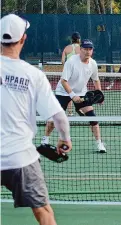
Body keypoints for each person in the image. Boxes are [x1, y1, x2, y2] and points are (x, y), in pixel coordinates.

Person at [1, 14, 72, 225]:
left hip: (19, 155)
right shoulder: (33, 75)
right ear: (23, 39)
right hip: (20, 157)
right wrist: (64, 139)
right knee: (44, 213)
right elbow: (59, 116)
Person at [41, 39, 107, 153]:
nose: (87, 51)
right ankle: (45, 140)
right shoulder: (71, 61)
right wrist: (72, 96)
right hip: (63, 92)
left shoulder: (93, 64)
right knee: (53, 119)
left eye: (90, 49)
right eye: (85, 49)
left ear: (92, 51)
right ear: (80, 49)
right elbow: (63, 81)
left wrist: (99, 95)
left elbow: (96, 80)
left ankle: (99, 144)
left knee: (93, 118)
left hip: (81, 93)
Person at [61, 32, 81, 116]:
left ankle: (69, 111)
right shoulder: (81, 48)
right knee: (79, 92)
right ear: (79, 39)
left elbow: (62, 61)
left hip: (68, 74)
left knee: (69, 92)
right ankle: (80, 108)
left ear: (71, 39)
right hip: (78, 73)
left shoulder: (66, 48)